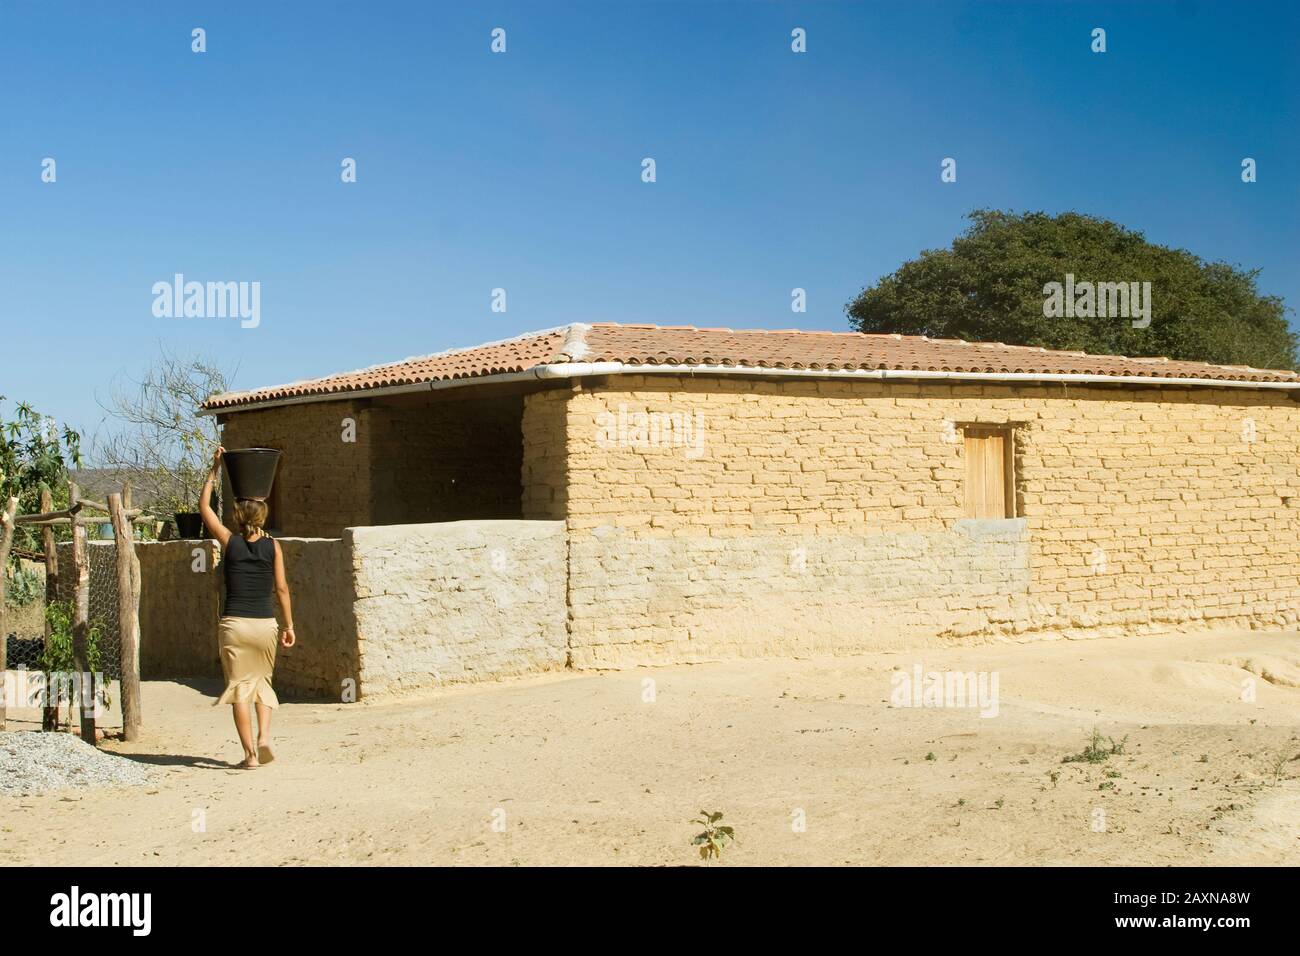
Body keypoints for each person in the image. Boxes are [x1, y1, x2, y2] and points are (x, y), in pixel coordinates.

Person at [199, 446, 296, 769]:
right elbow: (281, 588)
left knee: (239, 688)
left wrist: (214, 470)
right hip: (264, 624)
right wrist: (289, 625)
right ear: (263, 516)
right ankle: (264, 737)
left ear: (239, 516)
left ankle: (250, 757)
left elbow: (204, 508)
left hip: (234, 625)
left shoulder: (230, 542)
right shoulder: (274, 546)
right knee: (262, 684)